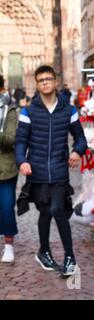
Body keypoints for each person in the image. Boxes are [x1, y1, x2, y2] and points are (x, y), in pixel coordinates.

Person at [15, 65, 87, 276]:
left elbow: (81, 138)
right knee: (45, 212)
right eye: (41, 80)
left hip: (58, 171)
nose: (45, 82)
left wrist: (77, 151)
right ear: (37, 85)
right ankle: (44, 251)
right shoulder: (28, 111)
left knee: (57, 209)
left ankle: (70, 257)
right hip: (36, 173)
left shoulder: (69, 110)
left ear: (55, 82)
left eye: (48, 78)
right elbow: (20, 142)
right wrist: (21, 161)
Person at [0, 75, 18, 263]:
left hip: (4, 168)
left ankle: (8, 245)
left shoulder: (9, 111)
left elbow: (12, 140)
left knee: (5, 207)